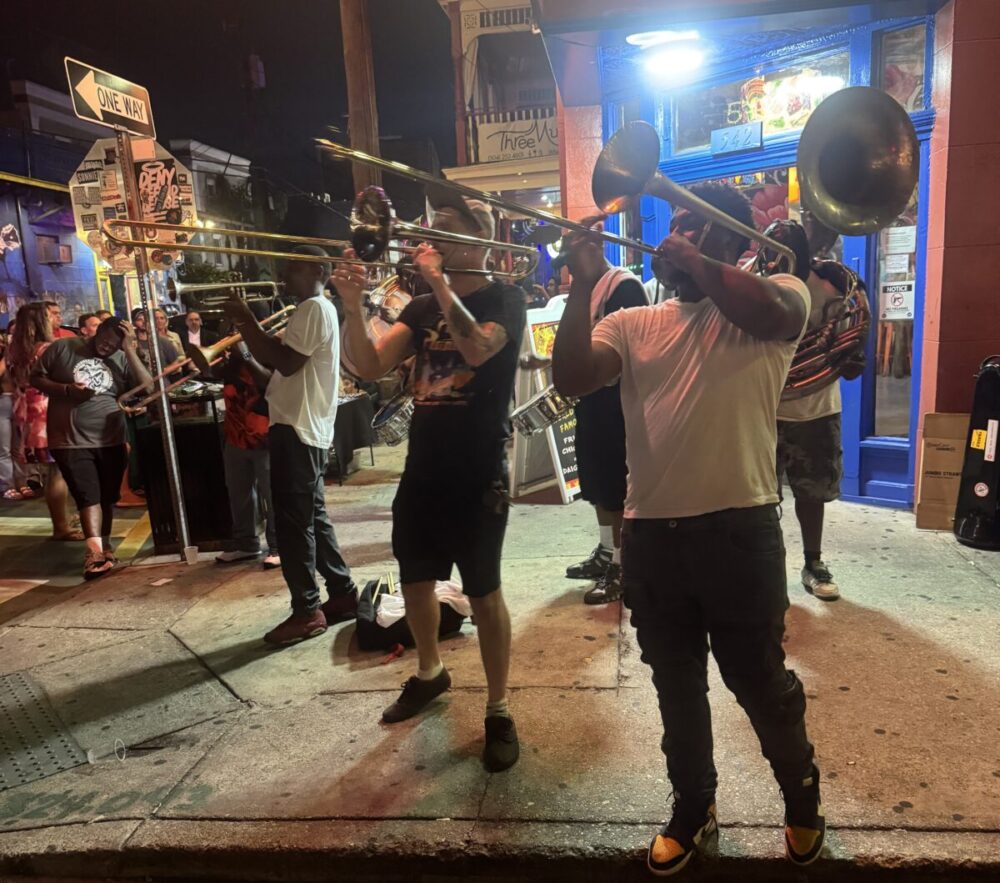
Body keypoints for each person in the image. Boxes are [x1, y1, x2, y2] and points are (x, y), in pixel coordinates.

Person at [552, 183, 824, 873]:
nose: (677, 239)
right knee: (676, 685)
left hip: (740, 532)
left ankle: (801, 797)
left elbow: (769, 308)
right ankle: (692, 804)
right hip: (652, 539)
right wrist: (584, 285)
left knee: (759, 680)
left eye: (697, 229)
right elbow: (575, 376)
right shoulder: (634, 320)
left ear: (736, 239)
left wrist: (700, 263)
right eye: (674, 227)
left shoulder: (779, 291)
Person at [336, 193, 526, 773]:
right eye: (429, 230)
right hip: (423, 466)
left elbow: (477, 346)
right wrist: (349, 303)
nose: (428, 239)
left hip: (478, 469)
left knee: (484, 591)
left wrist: (440, 285)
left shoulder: (506, 298)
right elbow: (365, 366)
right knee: (416, 578)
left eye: (442, 230)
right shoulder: (418, 308)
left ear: (480, 239)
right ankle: (429, 671)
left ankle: (498, 708)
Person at [223, 246, 356, 646]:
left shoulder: (314, 307)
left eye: (292, 268)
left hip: (298, 430)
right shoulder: (316, 309)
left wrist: (247, 321)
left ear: (318, 270)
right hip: (301, 426)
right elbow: (276, 377)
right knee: (312, 518)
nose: (283, 274)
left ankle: (306, 610)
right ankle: (342, 593)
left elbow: (286, 362)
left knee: (295, 526)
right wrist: (246, 348)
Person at [770, 219, 864, 602]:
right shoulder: (760, 290)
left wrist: (850, 350)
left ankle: (813, 562)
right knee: (760, 498)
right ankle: (769, 567)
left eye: (781, 251)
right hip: (764, 408)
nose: (773, 259)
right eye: (768, 250)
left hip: (817, 408)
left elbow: (852, 360)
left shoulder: (831, 288)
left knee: (812, 494)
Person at [561, 231, 647, 603]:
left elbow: (617, 355)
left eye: (573, 251)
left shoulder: (623, 286)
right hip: (593, 400)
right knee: (596, 483)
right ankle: (605, 551)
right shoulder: (593, 288)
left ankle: (621, 565)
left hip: (616, 404)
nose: (567, 261)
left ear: (594, 249)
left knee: (614, 487)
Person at [31, 318, 153, 579]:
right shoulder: (63, 348)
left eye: (114, 345)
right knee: (89, 495)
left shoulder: (121, 357)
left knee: (107, 497)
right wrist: (65, 390)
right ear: (97, 331)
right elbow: (36, 378)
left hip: (111, 438)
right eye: (105, 341)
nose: (107, 348)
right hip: (70, 439)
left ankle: (104, 546)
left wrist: (129, 349)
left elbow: (148, 387)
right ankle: (94, 553)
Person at [5, 303, 80, 538]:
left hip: (29, 413)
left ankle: (63, 520)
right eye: (49, 316)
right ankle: (61, 527)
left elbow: (10, 383)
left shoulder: (14, 351)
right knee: (60, 470)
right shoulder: (47, 349)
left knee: (54, 471)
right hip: (50, 412)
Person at [215, 338, 280, 569]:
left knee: (272, 495)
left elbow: (270, 382)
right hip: (235, 437)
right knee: (239, 494)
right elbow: (207, 371)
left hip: (264, 437)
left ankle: (277, 546)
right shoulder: (230, 363)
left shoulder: (266, 353)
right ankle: (246, 544)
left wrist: (246, 355)